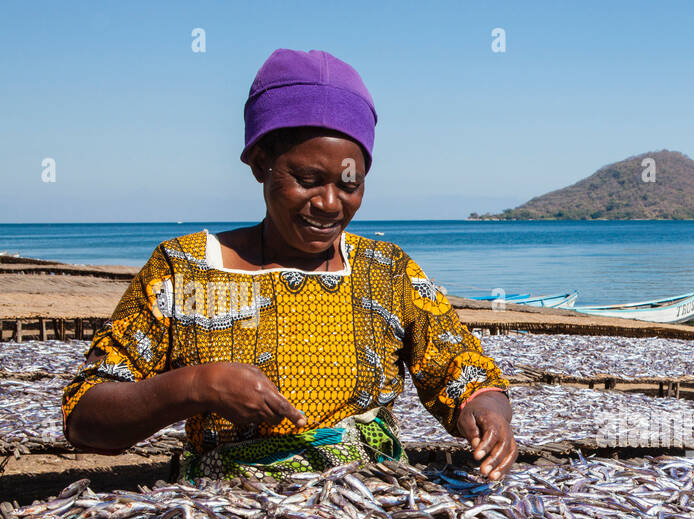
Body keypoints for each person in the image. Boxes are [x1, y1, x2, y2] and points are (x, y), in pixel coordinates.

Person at [63, 49, 515, 482]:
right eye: (308, 180)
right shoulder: (183, 271)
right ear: (261, 164)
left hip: (370, 506)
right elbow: (86, 419)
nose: (330, 203)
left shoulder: (388, 272)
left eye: (350, 184)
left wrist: (488, 410)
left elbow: (463, 369)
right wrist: (197, 386)